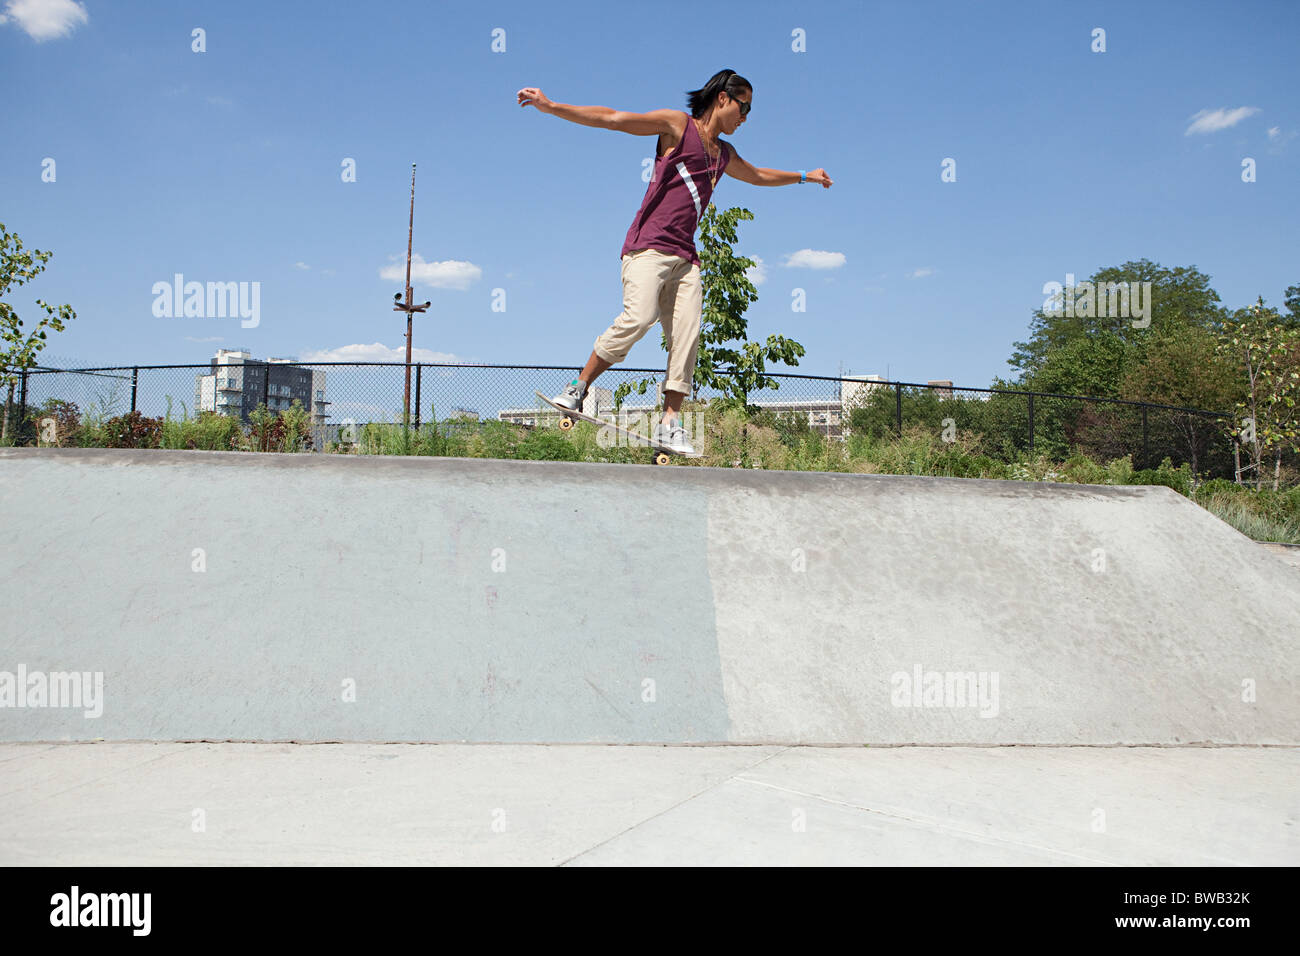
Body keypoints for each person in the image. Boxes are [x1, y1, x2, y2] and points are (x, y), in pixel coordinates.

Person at [517, 68, 832, 454]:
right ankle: (577, 388)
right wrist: (552, 107)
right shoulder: (676, 126)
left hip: (686, 259)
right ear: (722, 98)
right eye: (743, 107)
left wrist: (805, 176)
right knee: (639, 317)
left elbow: (759, 175)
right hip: (647, 247)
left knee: (687, 334)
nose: (745, 118)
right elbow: (614, 119)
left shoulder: (724, 154)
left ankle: (670, 421)